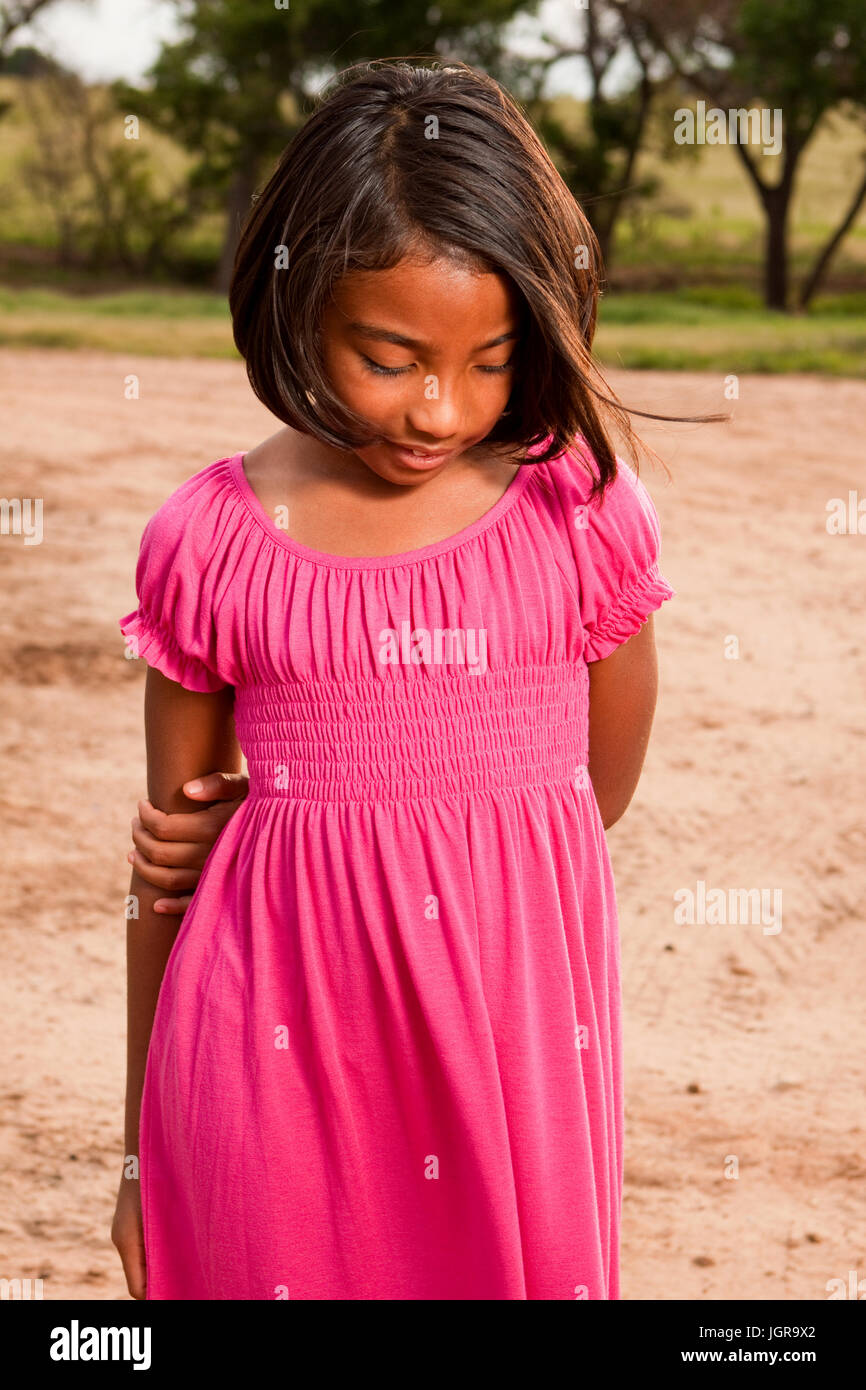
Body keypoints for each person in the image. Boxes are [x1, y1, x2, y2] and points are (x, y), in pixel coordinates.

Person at [112, 59, 705, 1301]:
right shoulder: (211, 540)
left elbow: (590, 797)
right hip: (262, 1068)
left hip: (509, 1070)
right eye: (386, 356)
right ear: (298, 303)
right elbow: (163, 881)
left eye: (491, 360)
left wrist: (390, 801)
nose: (440, 408)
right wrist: (131, 1156)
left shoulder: (578, 514)